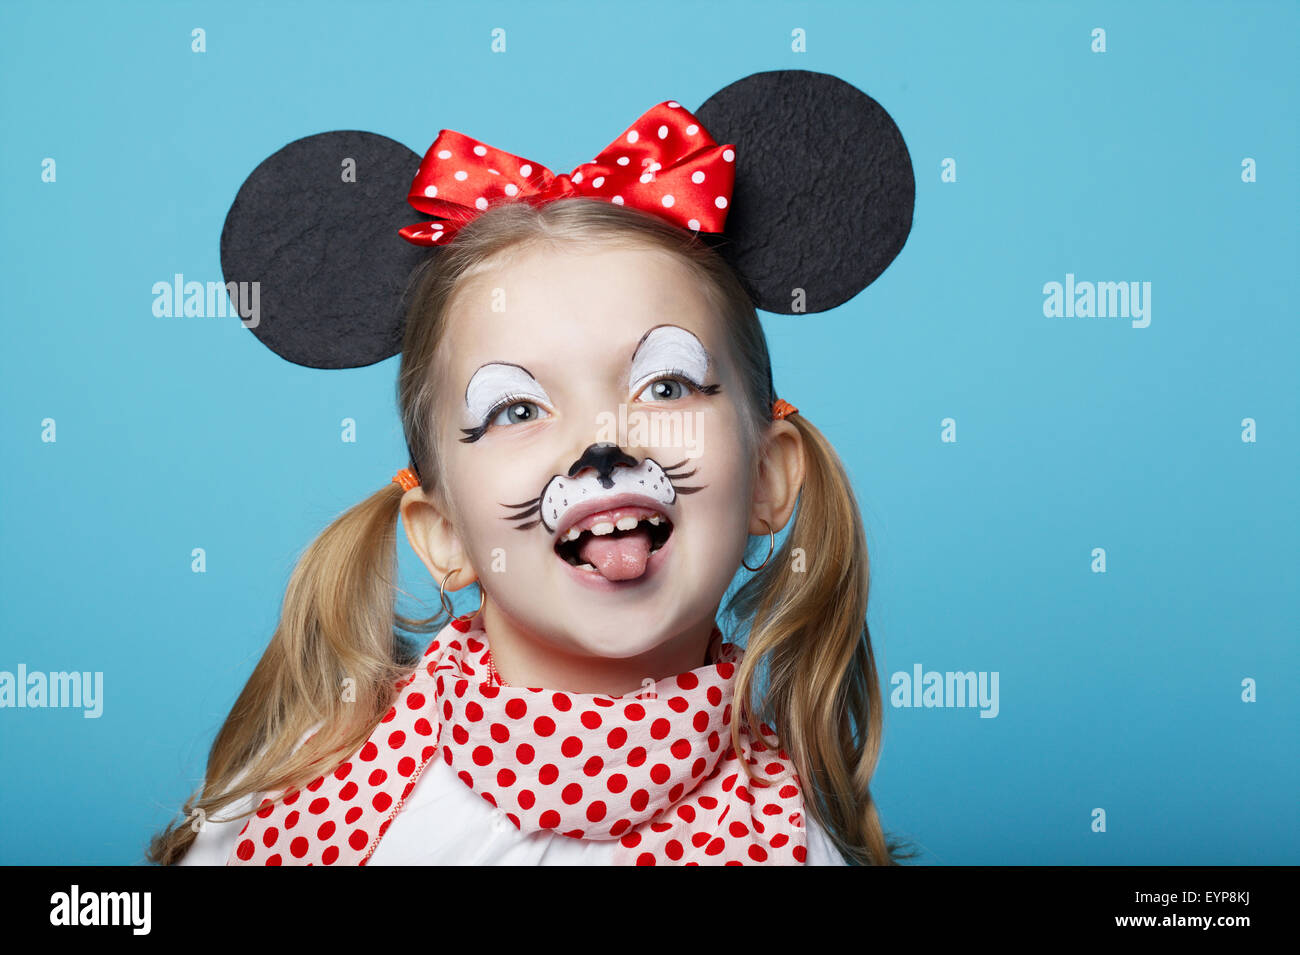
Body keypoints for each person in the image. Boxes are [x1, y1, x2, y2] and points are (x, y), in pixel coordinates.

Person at [148, 87, 917, 865]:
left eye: (665, 385)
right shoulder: (298, 803)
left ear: (768, 476)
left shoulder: (790, 846)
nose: (602, 443)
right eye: (515, 409)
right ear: (444, 535)